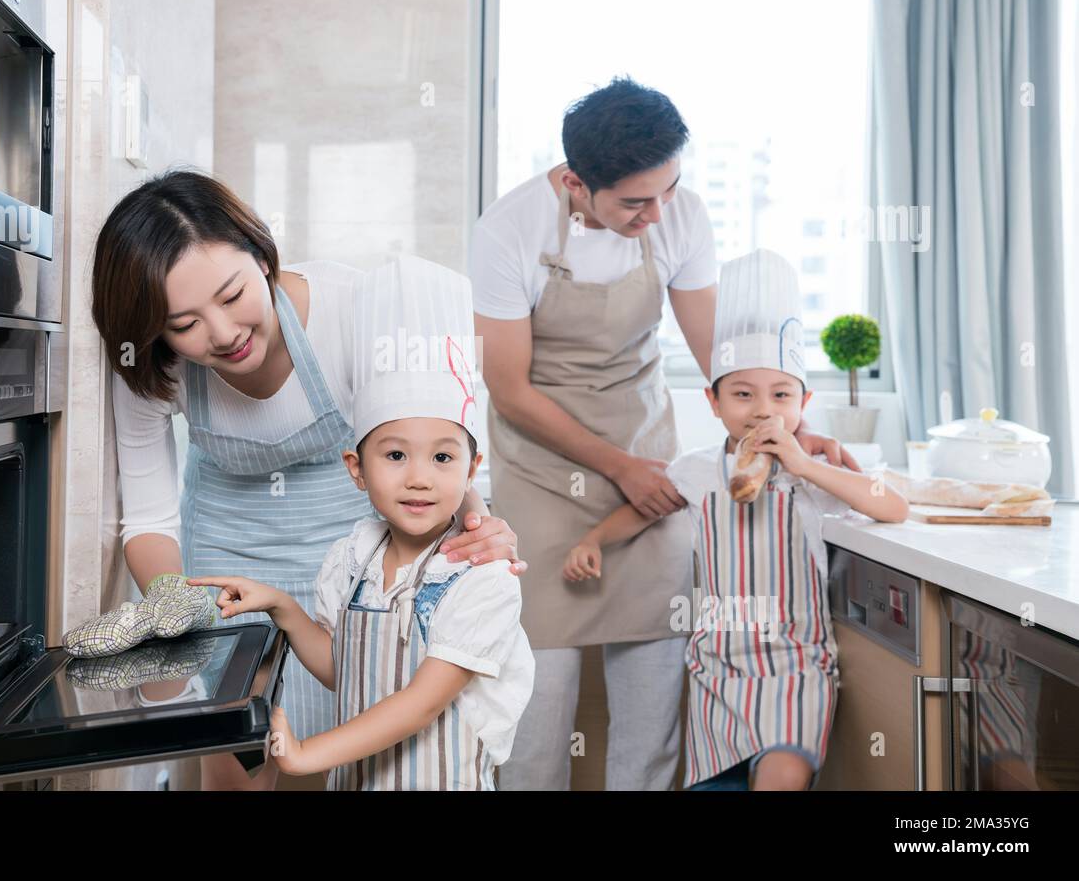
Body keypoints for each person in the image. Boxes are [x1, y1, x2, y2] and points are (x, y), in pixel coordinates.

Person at [472, 77, 857, 790]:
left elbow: (724, 359)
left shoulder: (681, 218)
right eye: (635, 202)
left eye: (669, 190)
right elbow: (509, 389)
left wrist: (799, 432)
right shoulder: (509, 230)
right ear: (576, 183)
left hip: (649, 463)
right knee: (540, 709)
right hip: (541, 472)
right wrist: (618, 468)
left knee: (652, 708)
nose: (658, 213)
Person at [91, 171, 523, 790]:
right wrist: (180, 610)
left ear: (261, 255)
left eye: (232, 293)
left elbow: (430, 438)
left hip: (352, 549)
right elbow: (150, 523)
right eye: (183, 324)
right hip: (224, 557)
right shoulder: (151, 367)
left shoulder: (349, 309)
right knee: (237, 760)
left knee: (334, 745)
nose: (222, 333)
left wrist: (477, 524)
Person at [192, 258, 535, 789]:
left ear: (472, 468)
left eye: (442, 459)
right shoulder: (353, 557)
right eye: (395, 456)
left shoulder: (480, 580)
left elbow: (421, 705)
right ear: (356, 469)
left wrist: (308, 754)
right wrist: (281, 605)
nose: (418, 478)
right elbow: (340, 667)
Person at [584, 248, 904, 790]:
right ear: (713, 402)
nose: (762, 410)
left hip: (797, 668)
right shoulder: (696, 472)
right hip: (718, 668)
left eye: (781, 395)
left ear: (805, 400)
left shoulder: (813, 471)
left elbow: (893, 505)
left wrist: (805, 463)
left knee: (780, 778)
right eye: (742, 394)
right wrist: (593, 541)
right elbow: (640, 512)